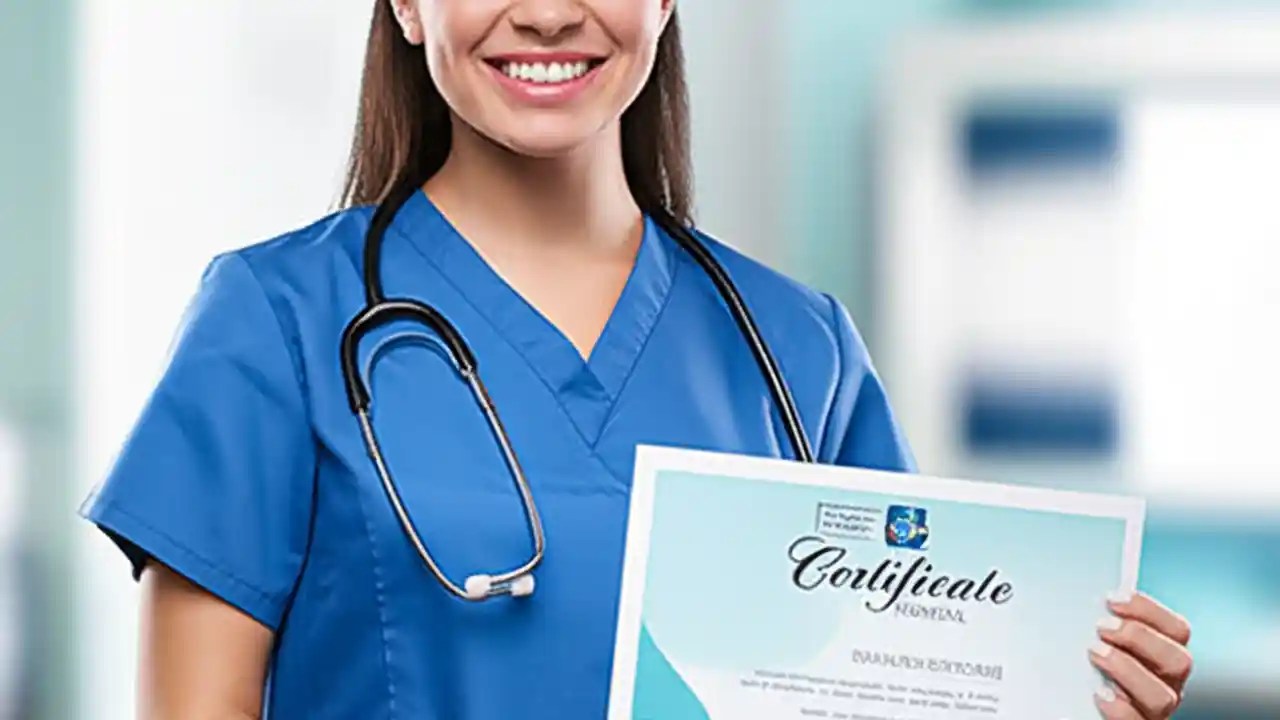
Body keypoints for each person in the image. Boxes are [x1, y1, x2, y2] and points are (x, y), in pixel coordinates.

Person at [78, 1, 1194, 718]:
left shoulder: (800, 351)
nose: (551, 13)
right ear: (407, 7)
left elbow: (897, 691)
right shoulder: (274, 318)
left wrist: (1073, 692)